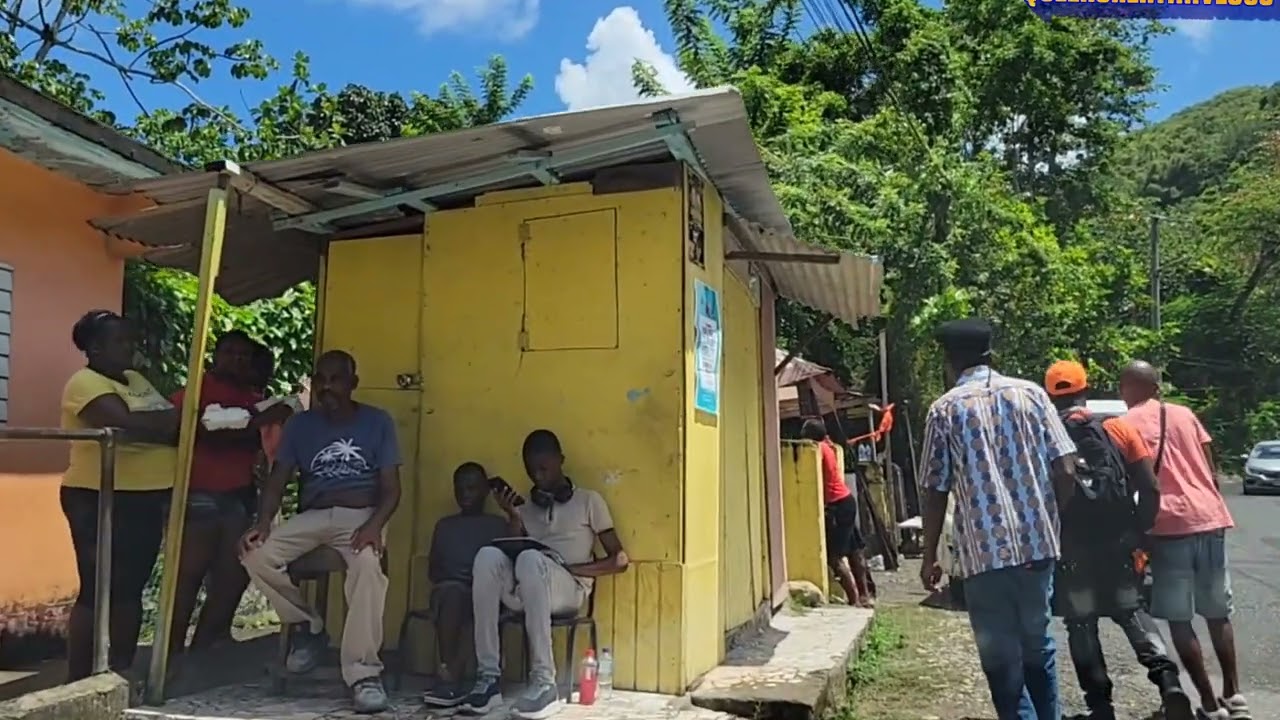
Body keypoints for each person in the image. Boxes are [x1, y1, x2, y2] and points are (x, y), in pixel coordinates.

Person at [917, 318, 1077, 720]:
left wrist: (929, 554)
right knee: (1037, 646)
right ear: (991, 354)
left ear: (951, 361)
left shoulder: (945, 410)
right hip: (1037, 549)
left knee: (1001, 656)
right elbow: (1066, 468)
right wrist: (1051, 519)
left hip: (983, 556)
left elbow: (935, 490)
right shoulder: (1032, 394)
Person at [240, 350, 402, 714]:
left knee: (368, 567)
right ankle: (309, 627)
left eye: (336, 379)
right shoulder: (301, 425)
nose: (327, 387)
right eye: (321, 380)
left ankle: (364, 675)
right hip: (314, 516)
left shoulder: (377, 422)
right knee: (255, 553)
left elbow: (392, 490)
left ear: (353, 384)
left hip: (361, 515)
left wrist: (374, 526)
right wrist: (263, 522)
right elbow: (278, 479)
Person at [1043, 361, 1192, 720]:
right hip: (1120, 539)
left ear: (1049, 396)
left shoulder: (1045, 435)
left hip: (1072, 545)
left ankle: (1100, 707)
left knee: (1081, 622)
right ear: (1086, 390)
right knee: (1131, 610)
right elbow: (1150, 487)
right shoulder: (1117, 428)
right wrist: (1141, 529)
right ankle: (1168, 683)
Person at [459, 429, 629, 720]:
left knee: (530, 559)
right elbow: (516, 550)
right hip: (529, 585)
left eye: (543, 469)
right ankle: (488, 678)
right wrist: (514, 516)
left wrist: (572, 569)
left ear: (560, 461)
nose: (537, 477)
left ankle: (544, 681)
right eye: (531, 471)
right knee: (487, 556)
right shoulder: (526, 507)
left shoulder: (589, 501)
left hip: (569, 590)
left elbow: (620, 560)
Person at [1119, 360, 1248, 720]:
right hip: (1211, 517)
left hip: (1168, 525)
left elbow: (1133, 482)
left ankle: (1209, 704)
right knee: (1218, 613)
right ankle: (1234, 696)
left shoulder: (1126, 425)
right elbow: (1210, 467)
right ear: (1156, 386)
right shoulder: (1184, 414)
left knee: (1179, 619)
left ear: (1126, 387)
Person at [59, 310, 179, 680]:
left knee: (130, 587)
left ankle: (121, 672)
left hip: (146, 495)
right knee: (98, 588)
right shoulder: (84, 382)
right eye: (121, 341)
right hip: (99, 495)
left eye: (130, 340)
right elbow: (128, 422)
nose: (130, 347)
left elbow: (169, 422)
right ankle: (79, 678)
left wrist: (164, 424)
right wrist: (165, 423)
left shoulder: (135, 379)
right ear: (95, 348)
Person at [169, 331, 292, 658]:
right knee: (188, 576)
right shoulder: (197, 390)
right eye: (231, 352)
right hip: (201, 492)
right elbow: (206, 431)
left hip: (239, 494)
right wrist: (260, 421)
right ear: (216, 355)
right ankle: (170, 650)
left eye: (244, 355)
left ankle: (204, 647)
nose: (237, 360)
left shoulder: (252, 396)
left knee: (232, 575)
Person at [420, 462, 509, 709]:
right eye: (460, 489)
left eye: (472, 488)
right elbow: (433, 570)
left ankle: (450, 678)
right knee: (452, 594)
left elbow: (507, 565)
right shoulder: (445, 526)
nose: (465, 494)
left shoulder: (497, 524)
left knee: (478, 599)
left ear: (485, 491)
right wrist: (455, 577)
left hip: (486, 592)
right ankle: (450, 672)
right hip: (450, 589)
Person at [800, 418, 871, 608]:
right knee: (855, 550)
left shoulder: (817, 450)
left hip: (837, 505)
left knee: (835, 557)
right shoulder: (828, 447)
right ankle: (865, 595)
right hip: (846, 500)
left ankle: (855, 600)